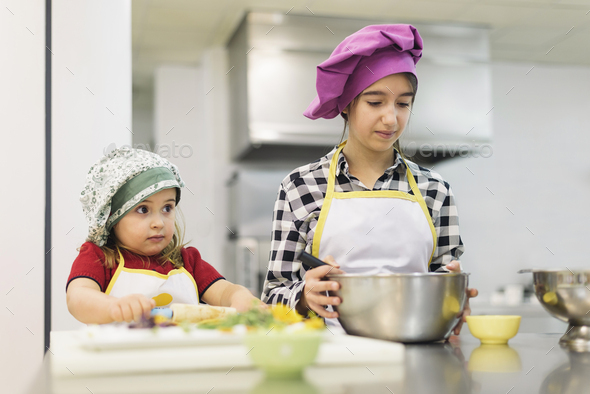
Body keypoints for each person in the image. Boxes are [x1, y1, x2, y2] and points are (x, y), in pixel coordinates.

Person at [261, 24, 477, 334]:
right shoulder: (301, 186)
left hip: (418, 355)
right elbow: (273, 295)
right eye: (375, 102)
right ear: (347, 105)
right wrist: (303, 297)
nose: (391, 118)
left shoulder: (435, 190)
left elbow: (445, 277)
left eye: (403, 104)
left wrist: (454, 293)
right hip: (331, 359)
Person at [67, 148, 260, 324]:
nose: (158, 222)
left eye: (167, 208)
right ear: (113, 218)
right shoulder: (97, 257)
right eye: (143, 209)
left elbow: (224, 291)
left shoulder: (187, 261)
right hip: (122, 361)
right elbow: (78, 297)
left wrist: (240, 296)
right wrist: (113, 307)